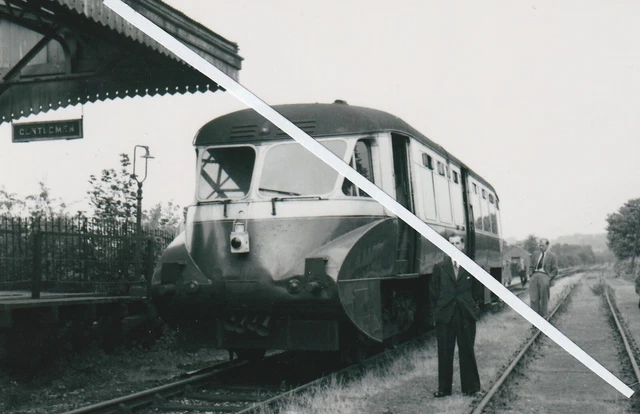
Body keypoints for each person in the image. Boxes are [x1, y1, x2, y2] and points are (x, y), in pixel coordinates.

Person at [430, 235, 482, 398]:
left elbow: (478, 291)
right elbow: (434, 292)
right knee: (445, 352)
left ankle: (471, 388)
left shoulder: (471, 266)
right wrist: (440, 308)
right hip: (445, 315)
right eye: (451, 243)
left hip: (465, 315)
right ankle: (444, 389)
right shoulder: (439, 267)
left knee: (467, 351)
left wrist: (472, 307)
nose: (454, 245)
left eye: (457, 243)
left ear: (463, 246)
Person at [529, 238, 559, 318]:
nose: (541, 247)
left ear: (547, 245)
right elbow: (531, 266)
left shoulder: (552, 256)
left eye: (542, 245)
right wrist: (531, 274)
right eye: (540, 245)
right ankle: (535, 319)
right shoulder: (535, 254)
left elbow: (555, 270)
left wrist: (548, 278)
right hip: (534, 276)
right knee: (533, 299)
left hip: (545, 276)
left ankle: (544, 318)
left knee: (544, 299)